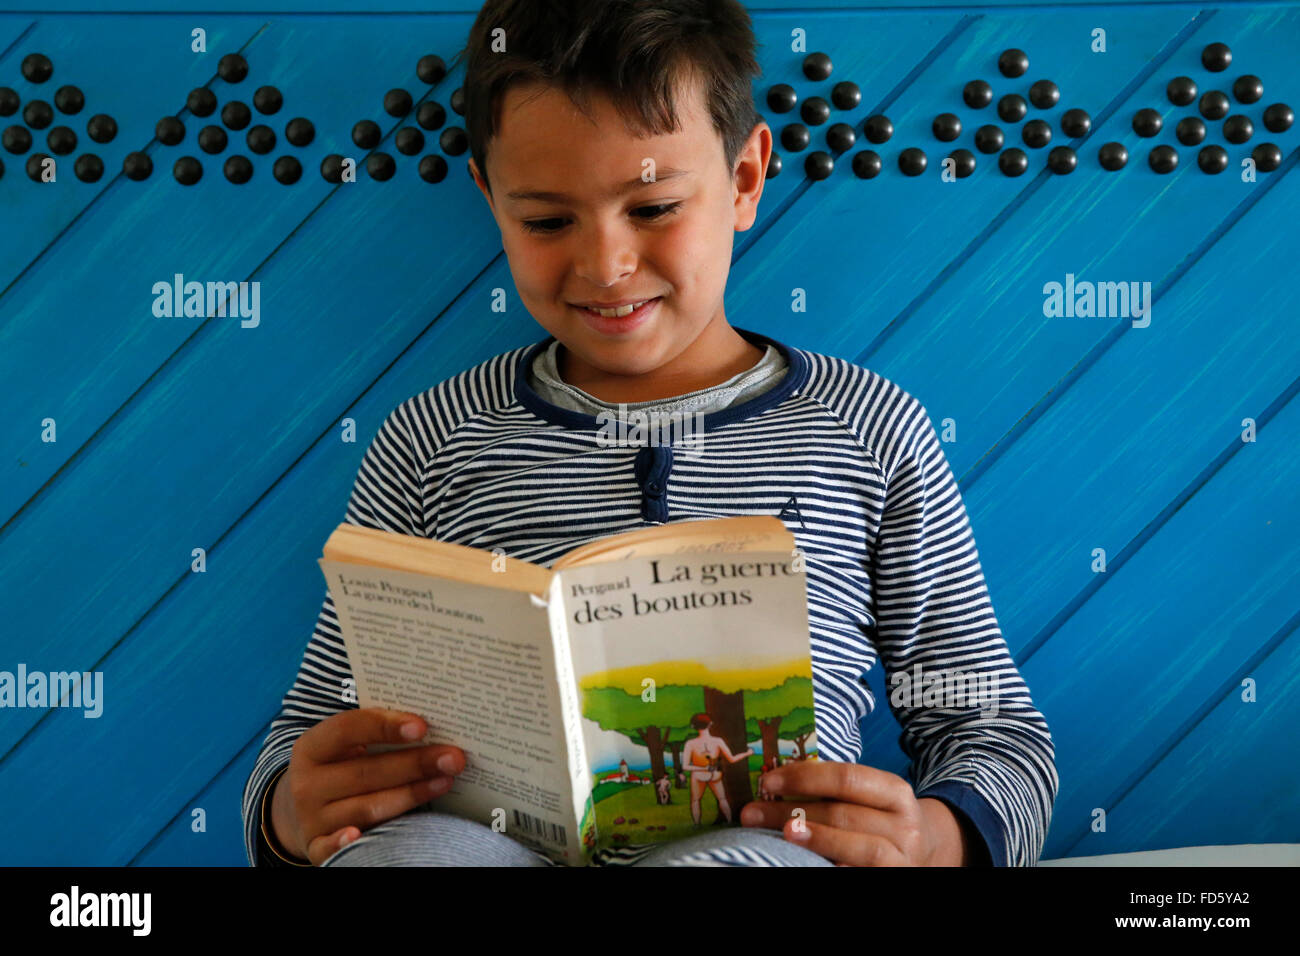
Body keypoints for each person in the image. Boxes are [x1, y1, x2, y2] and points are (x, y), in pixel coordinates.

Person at [242, 0, 1058, 868]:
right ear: (490, 200)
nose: (606, 266)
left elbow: (991, 726)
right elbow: (312, 725)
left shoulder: (864, 427)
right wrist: (293, 814)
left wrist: (934, 841)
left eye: (656, 206)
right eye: (548, 221)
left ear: (745, 180)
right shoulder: (432, 437)